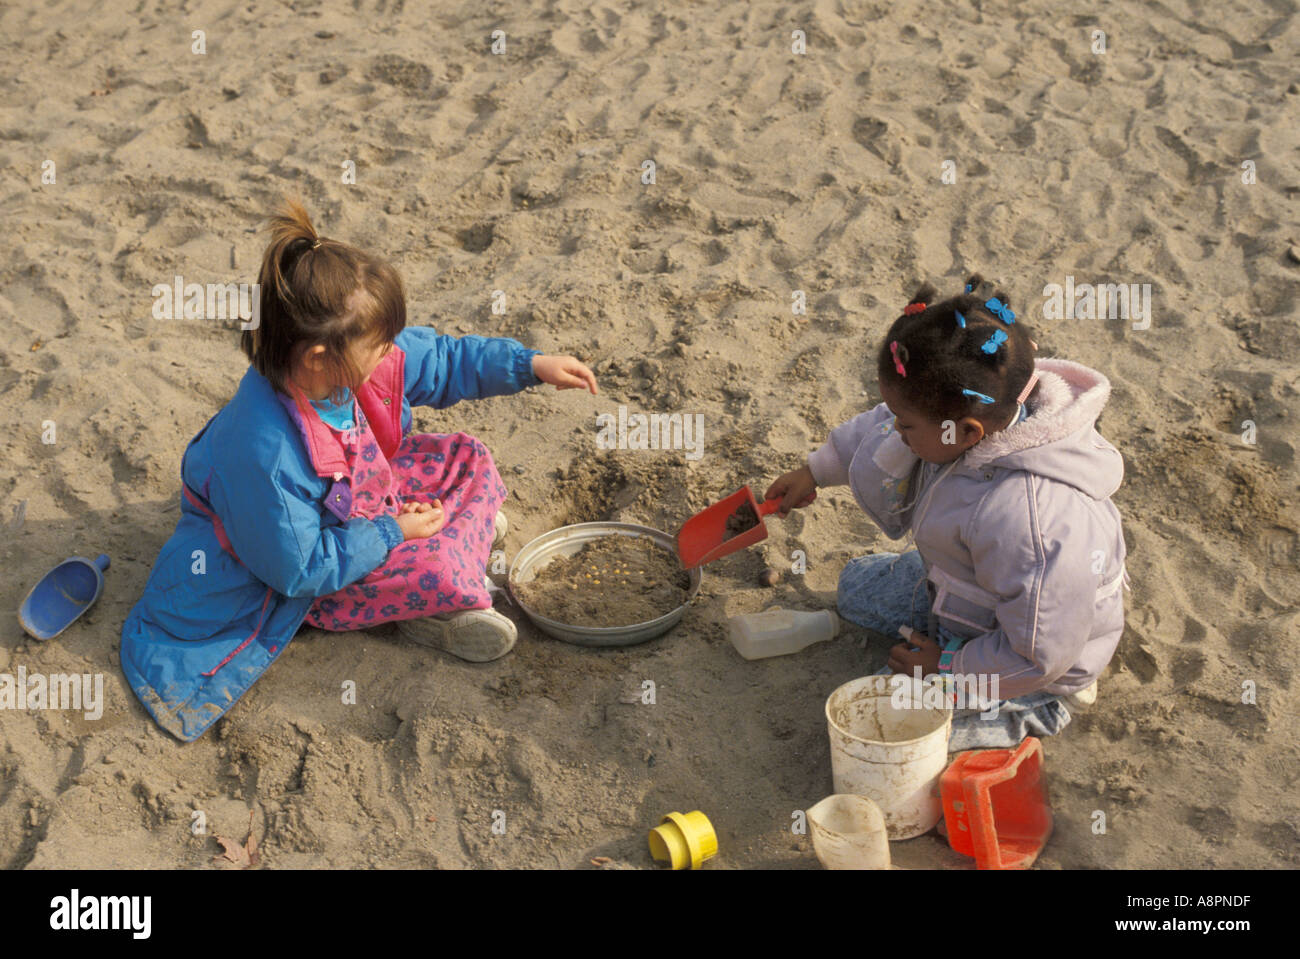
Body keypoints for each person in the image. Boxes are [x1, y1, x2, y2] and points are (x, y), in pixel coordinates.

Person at [120, 198, 598, 742]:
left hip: (358, 500)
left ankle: (458, 537)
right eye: (380, 345)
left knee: (469, 457)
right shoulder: (266, 457)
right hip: (309, 560)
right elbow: (298, 572)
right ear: (320, 356)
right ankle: (433, 614)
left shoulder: (352, 360)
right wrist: (393, 531)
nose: (391, 352)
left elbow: (442, 360)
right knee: (436, 570)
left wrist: (529, 366)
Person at [766, 274, 1128, 750]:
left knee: (893, 724)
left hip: (1037, 652)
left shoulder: (1032, 520)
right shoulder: (956, 411)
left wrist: (946, 669)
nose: (895, 429)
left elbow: (1041, 650)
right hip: (962, 586)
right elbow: (877, 426)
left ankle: (1043, 708)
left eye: (907, 425)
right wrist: (816, 470)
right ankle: (952, 646)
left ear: (969, 433)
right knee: (855, 590)